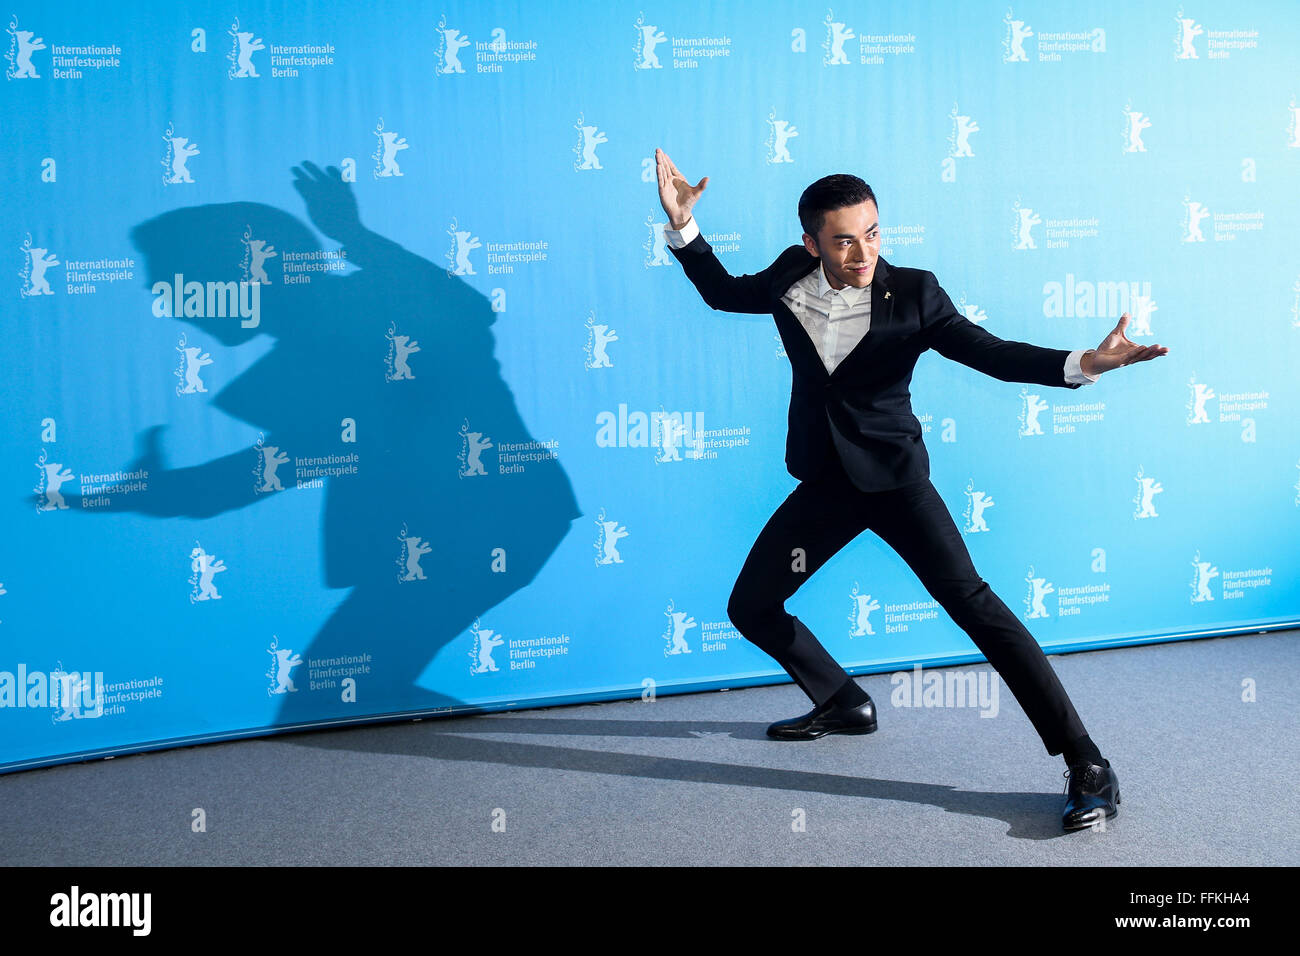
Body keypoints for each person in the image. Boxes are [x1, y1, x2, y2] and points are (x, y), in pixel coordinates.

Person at [654, 147, 1169, 831]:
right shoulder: (788, 275)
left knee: (978, 609)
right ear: (811, 243)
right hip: (828, 483)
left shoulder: (916, 293)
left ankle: (1087, 763)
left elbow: (992, 353)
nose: (862, 251)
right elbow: (724, 293)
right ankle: (842, 700)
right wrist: (684, 227)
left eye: (871, 233)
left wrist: (1082, 363)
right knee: (752, 605)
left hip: (897, 482)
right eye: (843, 239)